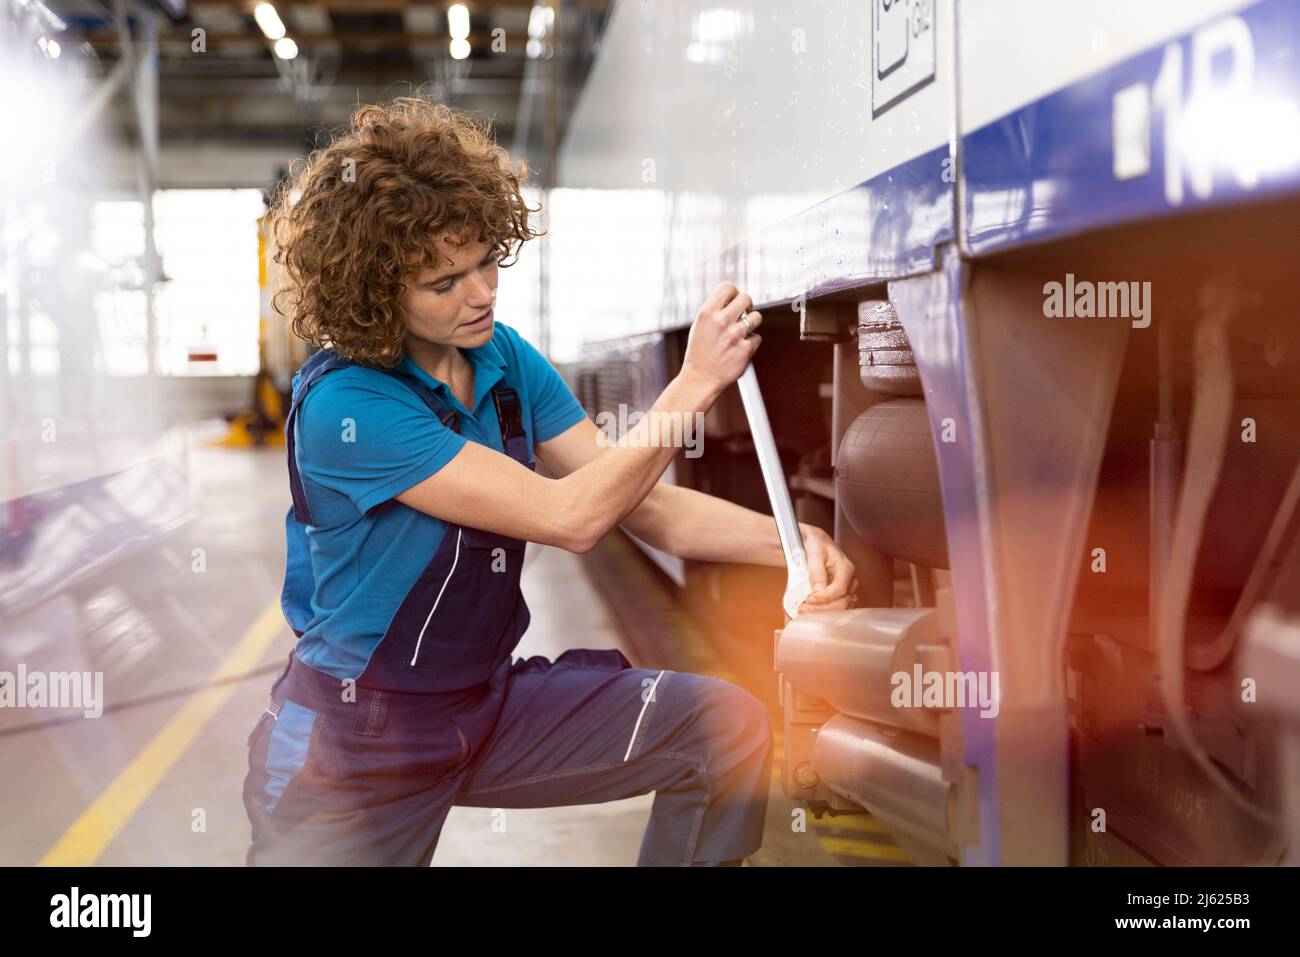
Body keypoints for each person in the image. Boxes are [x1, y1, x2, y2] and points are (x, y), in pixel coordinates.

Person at [242, 96, 857, 867]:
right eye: (444, 282)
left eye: (485, 262)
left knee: (720, 727)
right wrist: (694, 384)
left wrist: (794, 546)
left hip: (484, 708)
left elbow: (647, 507)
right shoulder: (348, 406)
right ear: (375, 294)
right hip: (354, 749)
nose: (481, 293)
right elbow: (573, 517)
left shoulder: (503, 360)